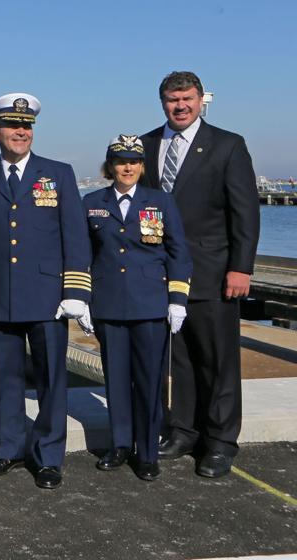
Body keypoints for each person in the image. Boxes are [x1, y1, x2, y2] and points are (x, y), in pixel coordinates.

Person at [142, 71, 260, 478]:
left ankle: (221, 440)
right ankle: (185, 431)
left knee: (218, 359)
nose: (180, 106)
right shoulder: (146, 144)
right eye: (173, 100)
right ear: (162, 102)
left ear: (200, 101)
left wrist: (241, 268)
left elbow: (245, 213)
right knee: (181, 359)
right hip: (162, 274)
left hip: (213, 272)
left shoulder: (228, 145)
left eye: (187, 99)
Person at [0, 93, 92, 490]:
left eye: (26, 127)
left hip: (47, 298)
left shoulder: (58, 173)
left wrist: (76, 291)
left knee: (51, 380)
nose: (19, 132)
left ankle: (49, 457)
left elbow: (75, 235)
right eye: (11, 126)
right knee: (5, 378)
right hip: (1, 297)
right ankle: (7, 449)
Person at [84, 134, 193, 482]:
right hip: (109, 305)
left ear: (142, 166)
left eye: (133, 161)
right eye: (120, 161)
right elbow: (83, 255)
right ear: (109, 165)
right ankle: (119, 445)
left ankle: (147, 452)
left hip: (150, 305)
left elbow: (178, 252)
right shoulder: (92, 203)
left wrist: (177, 300)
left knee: (149, 381)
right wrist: (83, 298)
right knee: (115, 380)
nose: (127, 167)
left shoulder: (161, 201)